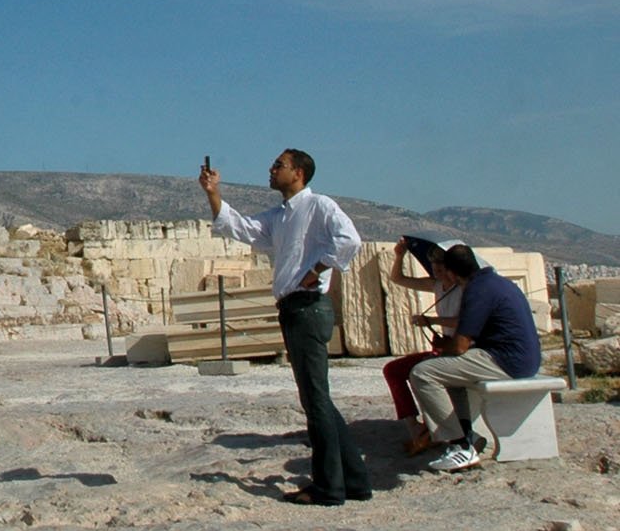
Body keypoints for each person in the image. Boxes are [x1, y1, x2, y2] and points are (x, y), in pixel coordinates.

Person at [200, 149, 372, 506]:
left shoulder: (319, 206)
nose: (271, 169)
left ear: (299, 173)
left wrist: (317, 269)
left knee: (316, 400)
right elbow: (243, 228)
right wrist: (213, 193)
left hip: (308, 308)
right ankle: (353, 479)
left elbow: (350, 240)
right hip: (294, 308)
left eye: (279, 165)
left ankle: (329, 487)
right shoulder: (280, 216)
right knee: (317, 398)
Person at [407, 244, 542, 472]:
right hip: (523, 358)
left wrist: (443, 346)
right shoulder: (498, 283)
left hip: (507, 361)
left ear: (451, 272)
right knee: (448, 374)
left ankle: (459, 445)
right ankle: (468, 436)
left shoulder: (476, 290)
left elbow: (460, 346)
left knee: (422, 373)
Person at [382, 240, 464, 455]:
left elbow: (465, 321)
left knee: (422, 373)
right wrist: (399, 256)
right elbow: (397, 279)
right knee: (393, 370)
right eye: (434, 266)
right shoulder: (436, 285)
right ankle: (414, 426)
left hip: (459, 349)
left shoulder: (464, 289)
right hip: (444, 347)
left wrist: (433, 321)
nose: (437, 270)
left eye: (441, 266)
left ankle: (437, 430)